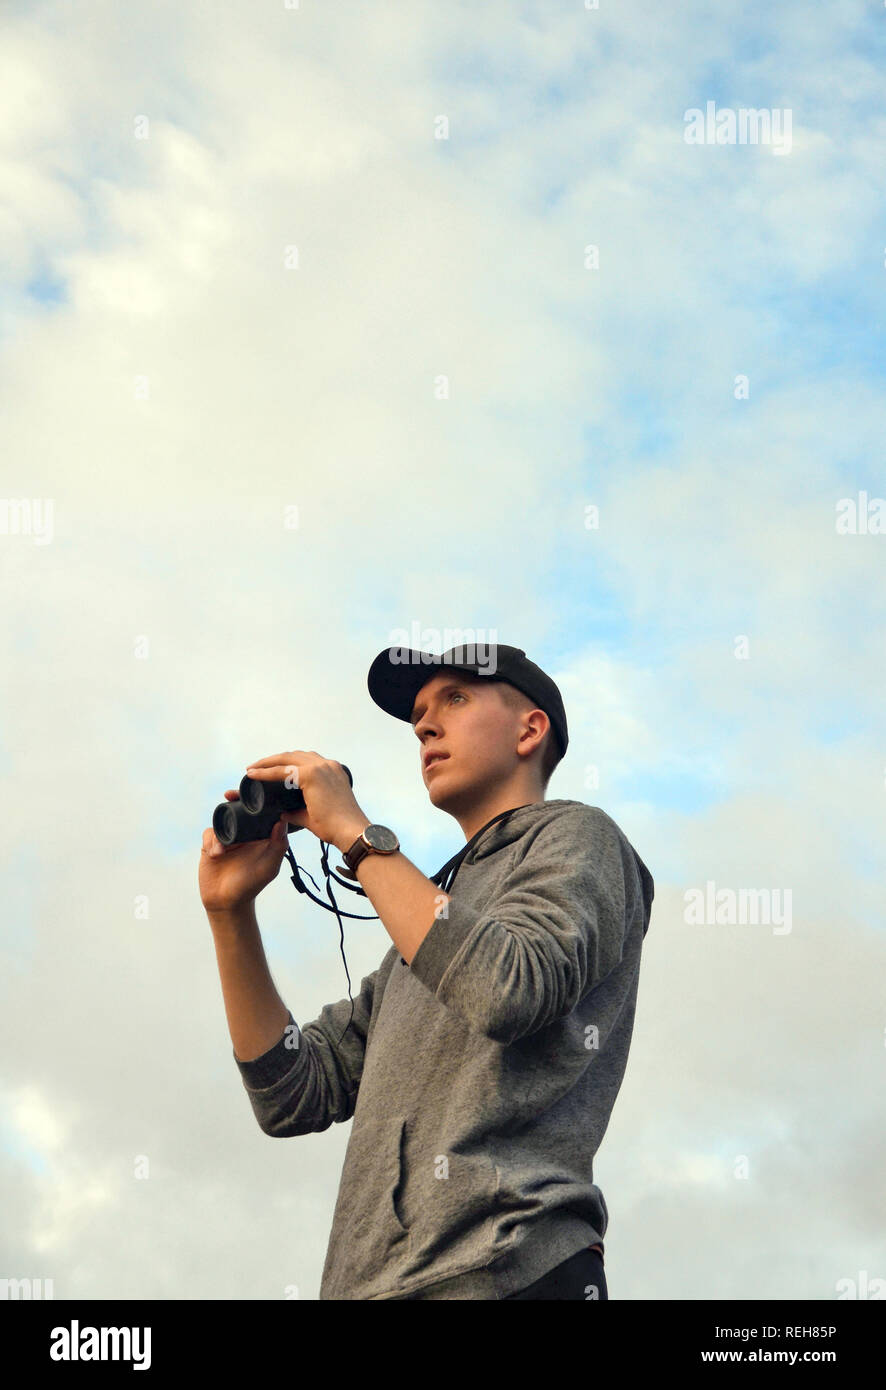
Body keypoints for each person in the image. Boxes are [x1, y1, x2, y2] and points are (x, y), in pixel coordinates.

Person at [199, 642, 654, 1300]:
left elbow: (507, 987)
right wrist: (229, 912)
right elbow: (292, 1094)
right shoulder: (422, 932)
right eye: (418, 715)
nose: (425, 725)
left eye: (456, 699)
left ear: (530, 730)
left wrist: (356, 835)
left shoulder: (579, 837)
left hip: (506, 1269)